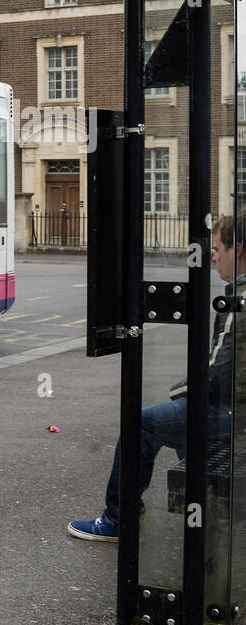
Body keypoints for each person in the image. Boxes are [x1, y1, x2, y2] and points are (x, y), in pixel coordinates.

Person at [68, 213, 246, 541]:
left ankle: (118, 518)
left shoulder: (239, 301)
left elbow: (219, 370)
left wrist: (182, 390)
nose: (214, 257)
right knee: (181, 420)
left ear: (238, 249)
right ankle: (203, 514)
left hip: (233, 411)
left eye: (218, 248)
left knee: (141, 424)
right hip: (234, 406)